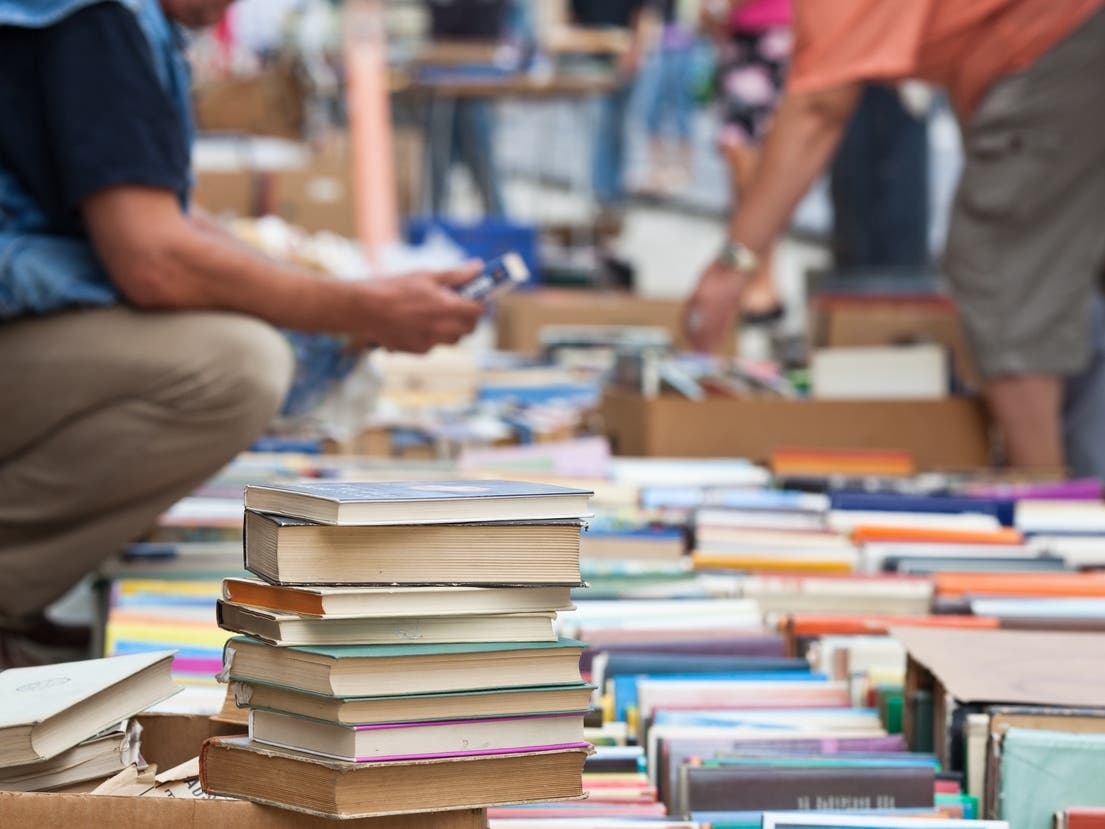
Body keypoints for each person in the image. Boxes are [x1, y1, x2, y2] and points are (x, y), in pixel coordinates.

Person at [0, 0, 483, 668]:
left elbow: (169, 216)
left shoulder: (117, 21)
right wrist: (350, 306)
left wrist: (332, 298)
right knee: (234, 367)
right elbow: (153, 259)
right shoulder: (96, 19)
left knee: (240, 339)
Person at [684, 0, 1105, 473]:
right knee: (1054, 265)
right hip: (1051, 42)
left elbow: (819, 108)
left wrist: (733, 264)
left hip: (1056, 37)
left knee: (1000, 261)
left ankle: (1049, 502)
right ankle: (1076, 486)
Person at [700, 0, 792, 324]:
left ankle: (762, 279)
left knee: (752, 164)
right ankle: (747, 277)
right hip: (737, 34)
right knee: (737, 159)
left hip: (772, 31)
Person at [423, 0, 509, 216]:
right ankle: (435, 219)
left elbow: (486, 21)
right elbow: (438, 21)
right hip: (441, 68)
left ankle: (497, 218)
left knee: (477, 146)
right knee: (438, 149)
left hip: (478, 64)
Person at [568, 0, 651, 216]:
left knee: (615, 128)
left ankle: (610, 192)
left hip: (622, 52)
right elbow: (573, 18)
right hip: (592, 55)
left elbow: (641, 14)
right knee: (603, 127)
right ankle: (603, 193)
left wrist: (634, 51)